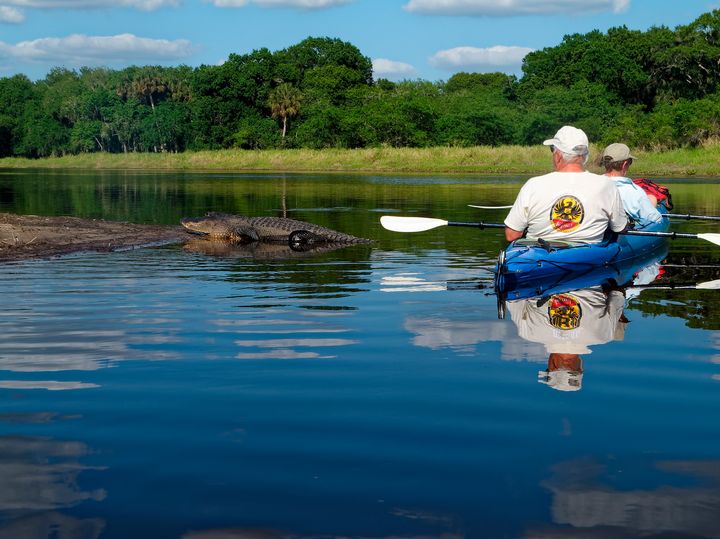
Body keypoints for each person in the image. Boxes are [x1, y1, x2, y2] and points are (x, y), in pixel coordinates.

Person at [504, 126, 627, 243]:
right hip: (588, 257)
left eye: (552, 149)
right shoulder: (606, 185)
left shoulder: (533, 185)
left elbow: (512, 235)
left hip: (538, 258)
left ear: (558, 155)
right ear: (585, 156)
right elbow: (619, 227)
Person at [598, 143, 664, 228]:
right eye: (630, 162)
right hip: (621, 235)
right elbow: (657, 220)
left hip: (596, 232)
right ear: (625, 164)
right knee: (652, 199)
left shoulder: (592, 184)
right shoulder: (635, 192)